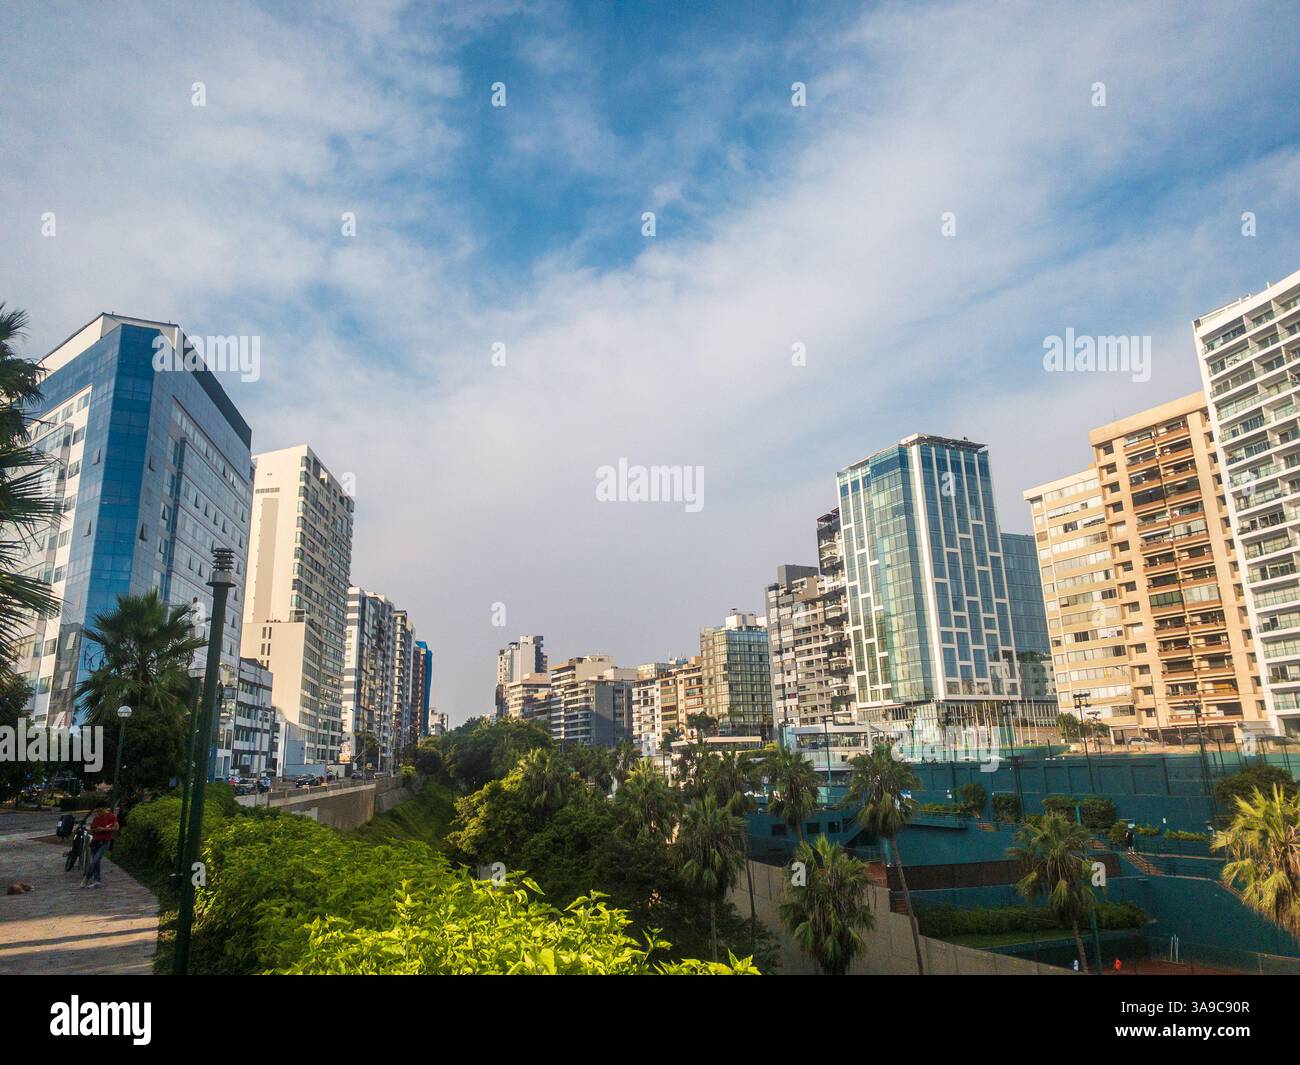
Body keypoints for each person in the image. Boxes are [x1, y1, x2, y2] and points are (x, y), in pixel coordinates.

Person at [81, 801, 119, 888]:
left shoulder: (112, 817)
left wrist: (103, 829)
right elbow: (92, 829)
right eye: (97, 811)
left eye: (100, 811)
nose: (99, 813)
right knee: (96, 862)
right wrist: (91, 831)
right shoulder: (96, 819)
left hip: (105, 841)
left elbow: (116, 828)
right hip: (95, 841)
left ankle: (87, 878)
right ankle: (97, 880)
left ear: (105, 809)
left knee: (96, 860)